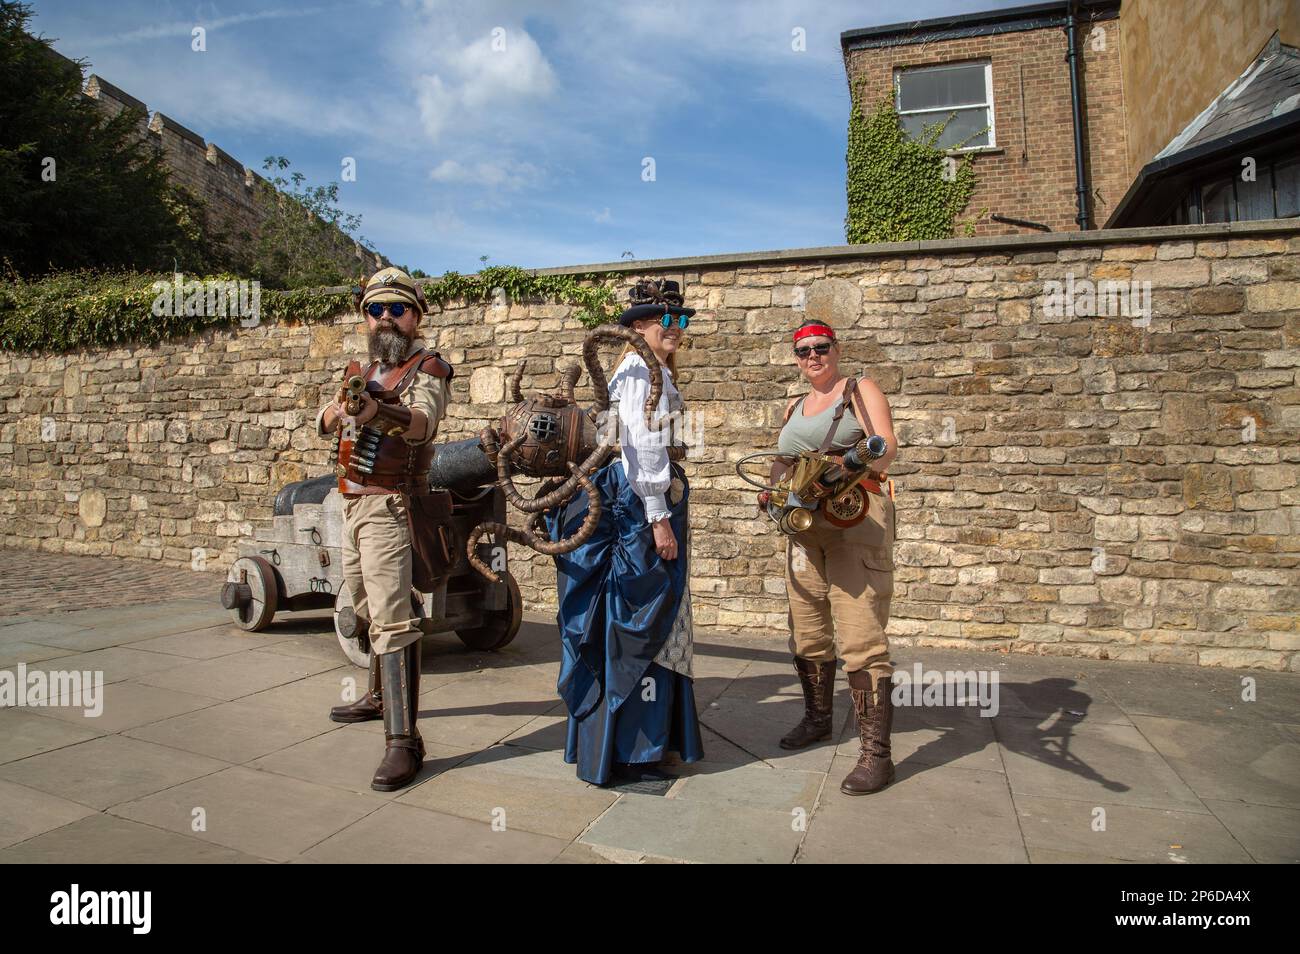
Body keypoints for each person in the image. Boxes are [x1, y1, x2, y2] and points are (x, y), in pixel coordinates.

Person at [546, 279, 704, 786]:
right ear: (638, 327)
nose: (677, 328)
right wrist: (658, 519)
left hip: (641, 501)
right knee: (636, 615)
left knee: (652, 616)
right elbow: (641, 446)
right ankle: (631, 750)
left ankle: (645, 743)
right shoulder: (639, 372)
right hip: (636, 508)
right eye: (668, 320)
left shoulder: (652, 369)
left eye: (681, 320)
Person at [314, 266, 453, 792]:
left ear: (417, 316)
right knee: (364, 605)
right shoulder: (358, 370)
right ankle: (377, 695)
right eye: (377, 309)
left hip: (391, 506)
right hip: (349, 502)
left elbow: (423, 424)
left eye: (398, 308)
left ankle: (404, 742)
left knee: (393, 619)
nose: (387, 318)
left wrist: (378, 414)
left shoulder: (428, 368)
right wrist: (338, 411)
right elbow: (326, 419)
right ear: (366, 317)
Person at [767, 318, 900, 795]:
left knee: (861, 633)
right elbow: (783, 460)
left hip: (854, 518)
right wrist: (772, 489)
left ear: (836, 349)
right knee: (807, 630)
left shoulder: (860, 389)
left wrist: (847, 465)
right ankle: (818, 719)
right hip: (804, 529)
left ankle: (876, 756)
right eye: (802, 351)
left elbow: (885, 451)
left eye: (820, 348)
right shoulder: (795, 405)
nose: (812, 357)